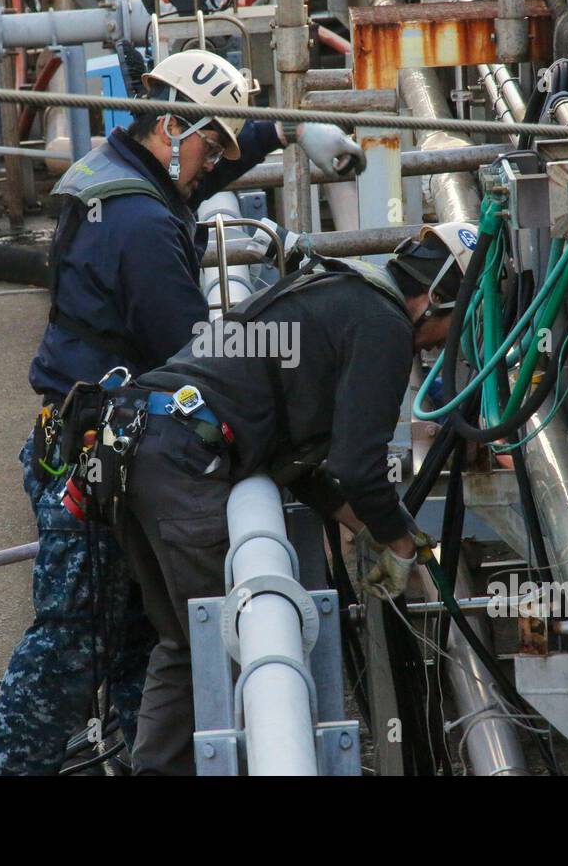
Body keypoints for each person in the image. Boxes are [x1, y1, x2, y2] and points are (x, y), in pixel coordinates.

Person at [0, 48, 367, 775]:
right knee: (71, 643)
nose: (210, 165)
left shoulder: (120, 168)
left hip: (81, 439)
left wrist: (277, 132)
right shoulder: (143, 227)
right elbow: (194, 357)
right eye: (208, 145)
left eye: (221, 148)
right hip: (92, 461)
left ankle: (142, 762)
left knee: (133, 634)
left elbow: (196, 174)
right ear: (174, 126)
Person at [110, 227, 471, 774]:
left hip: (141, 443)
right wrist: (399, 541)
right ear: (435, 299)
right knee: (231, 655)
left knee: (187, 646)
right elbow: (358, 465)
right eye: (450, 326)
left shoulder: (334, 289)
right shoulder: (384, 326)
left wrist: (362, 523)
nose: (441, 343)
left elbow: (291, 445)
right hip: (187, 462)